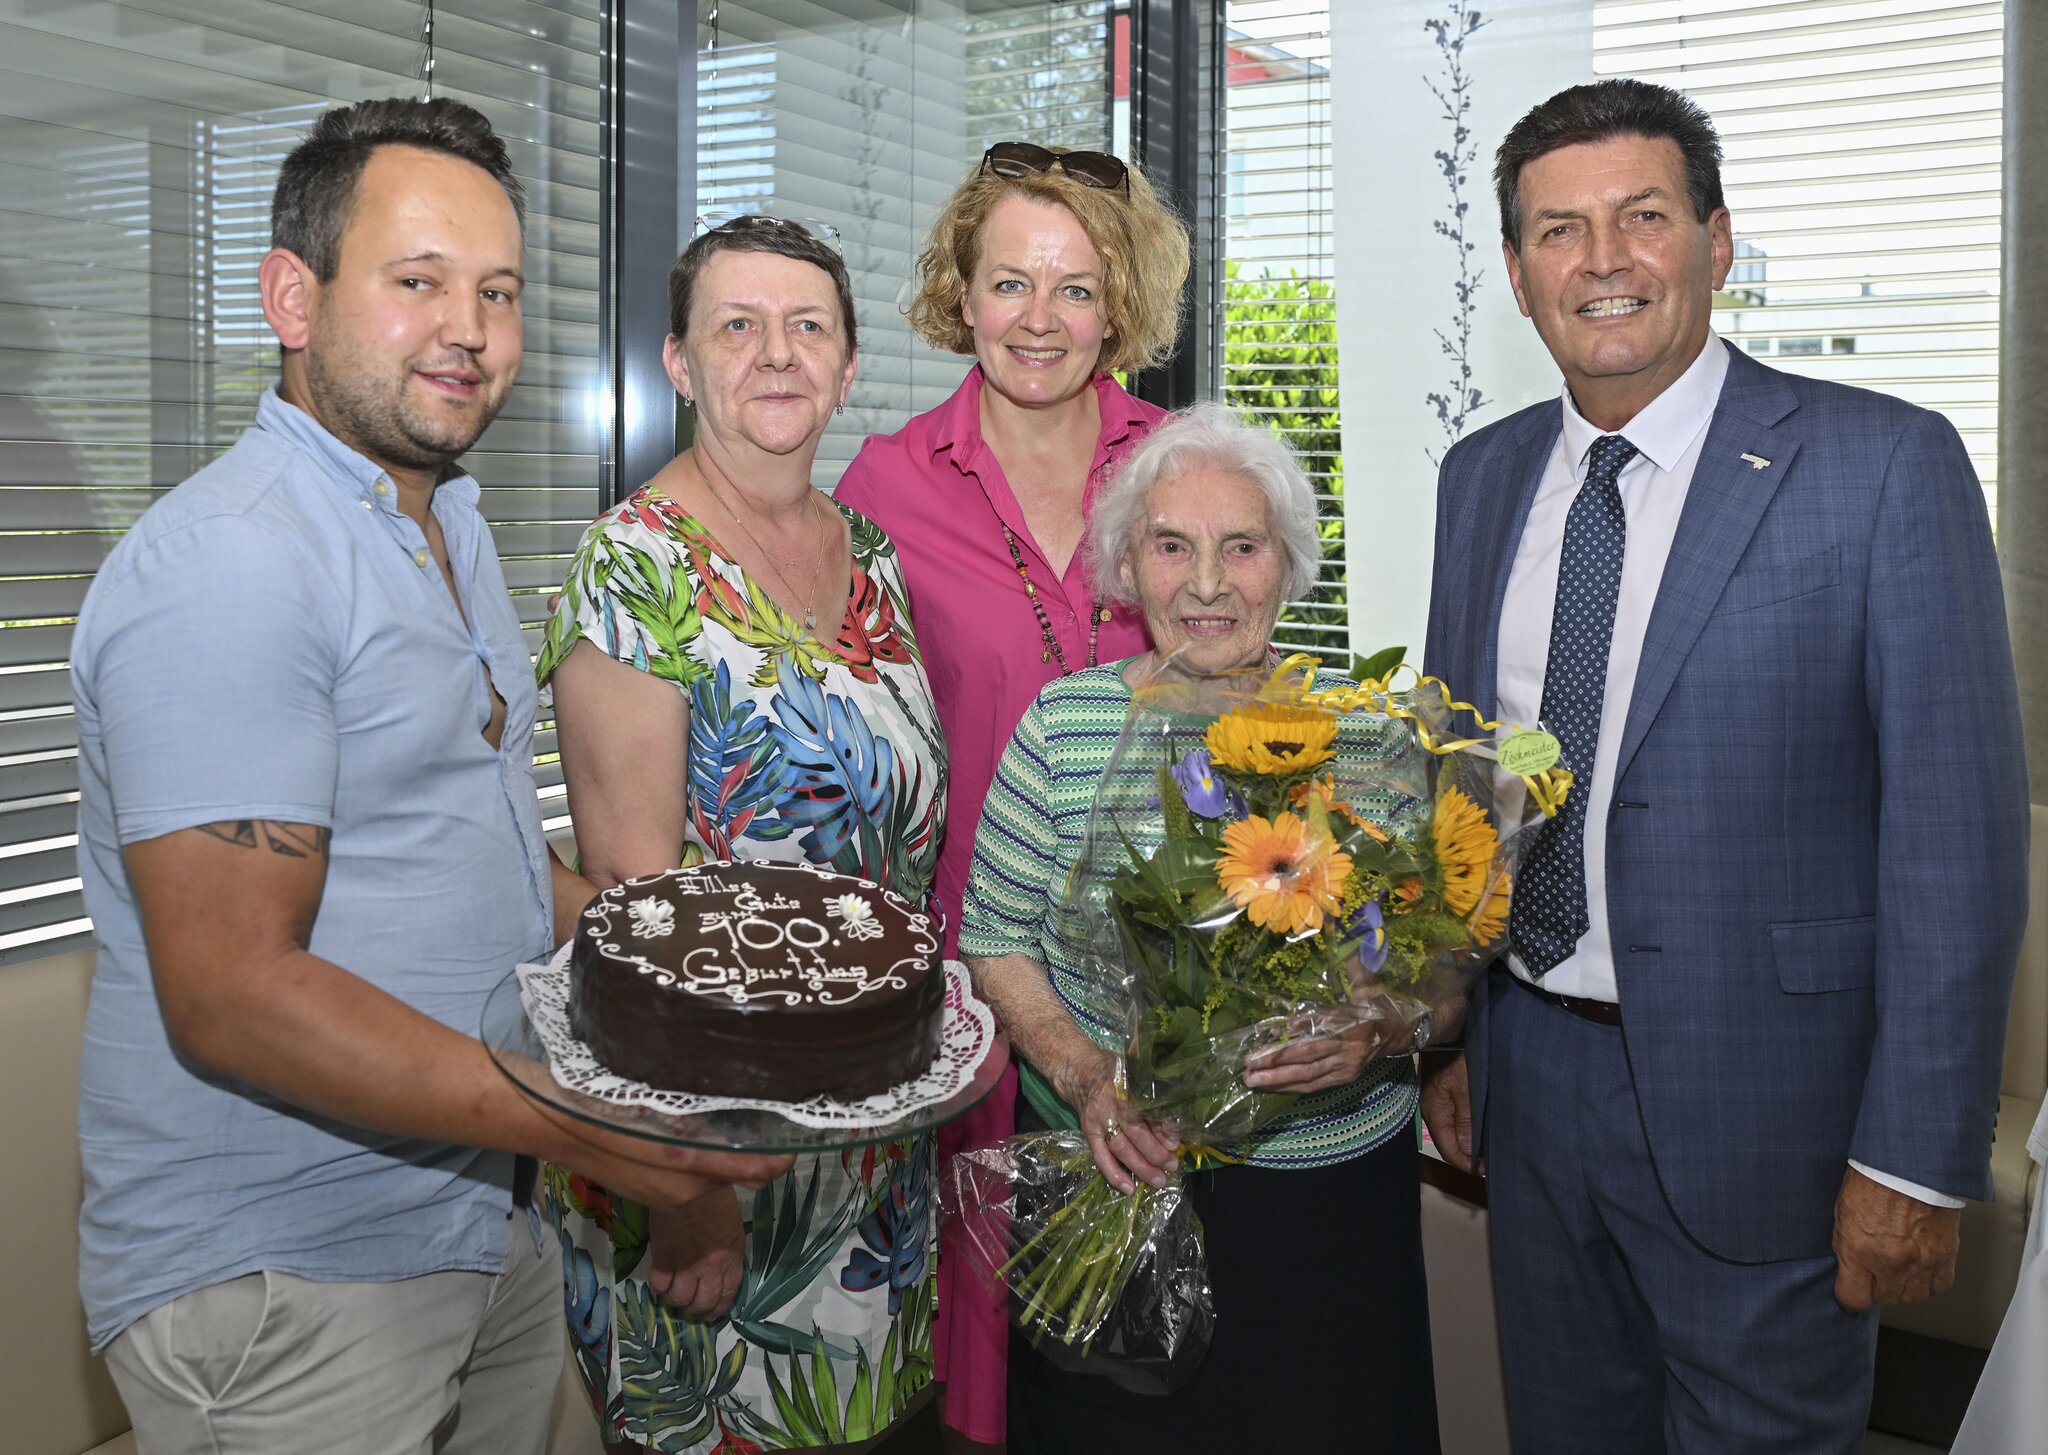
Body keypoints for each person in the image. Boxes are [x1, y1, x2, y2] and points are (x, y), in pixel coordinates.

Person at [71, 99, 786, 1455]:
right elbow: (234, 993)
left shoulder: (438, 521)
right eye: (417, 282)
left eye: (497, 291)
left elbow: (481, 858)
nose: (468, 326)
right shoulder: (233, 562)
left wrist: (707, 966)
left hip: (469, 1209)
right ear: (294, 294)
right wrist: (599, 1127)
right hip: (286, 1269)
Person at [1419, 78, 2029, 1453]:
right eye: (1560, 231)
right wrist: (1452, 1034)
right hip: (1532, 1088)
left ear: (1716, 239)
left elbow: (1955, 841)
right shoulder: (1480, 477)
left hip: (1779, 1115)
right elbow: (1465, 788)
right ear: (1518, 275)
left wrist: (1913, 1153)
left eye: (1643, 216)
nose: (1605, 260)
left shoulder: (1883, 467)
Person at [538, 215, 949, 1453]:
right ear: (677, 363)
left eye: (806, 326)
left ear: (848, 365)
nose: (776, 355)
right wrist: (682, 1188)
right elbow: (627, 910)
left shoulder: (869, 556)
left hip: (871, 1164)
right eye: (738, 326)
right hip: (713, 1175)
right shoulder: (632, 570)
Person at [959, 404, 1441, 1454]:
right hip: (1121, 1176)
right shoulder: (1062, 723)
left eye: (1242, 547)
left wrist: (1384, 1024)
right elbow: (992, 938)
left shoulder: (1365, 731)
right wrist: (1089, 1078)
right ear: (1125, 567)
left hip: (1327, 1200)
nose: (1208, 584)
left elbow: (1436, 961)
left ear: (1290, 563)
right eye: (1170, 546)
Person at [833, 141, 1188, 1449]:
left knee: (1157, 1357)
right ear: (960, 293)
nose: (1040, 320)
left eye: (1076, 288)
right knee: (987, 1351)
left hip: (1165, 986)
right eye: (1009, 283)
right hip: (972, 987)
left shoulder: (1180, 466)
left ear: (1121, 303)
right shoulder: (883, 484)